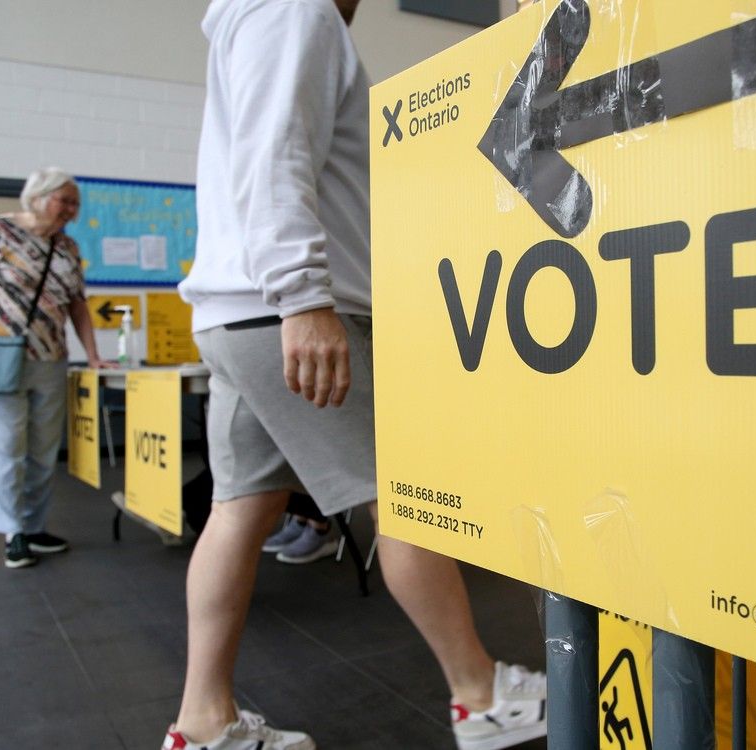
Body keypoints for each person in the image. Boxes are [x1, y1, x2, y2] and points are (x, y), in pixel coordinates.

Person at [163, 2, 547, 749]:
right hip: (285, 312)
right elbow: (275, 157)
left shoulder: (257, 22)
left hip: (236, 315)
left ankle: (203, 723)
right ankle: (481, 696)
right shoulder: (295, 12)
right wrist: (306, 300)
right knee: (402, 498)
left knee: (240, 509)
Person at [0, 167, 114, 568]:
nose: (72, 210)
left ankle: (35, 526)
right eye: (65, 200)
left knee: (42, 450)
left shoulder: (68, 248)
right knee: (7, 447)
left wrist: (92, 354)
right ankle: (13, 533)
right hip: (1, 356)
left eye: (75, 203)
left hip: (52, 358)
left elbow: (78, 304)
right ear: (38, 196)